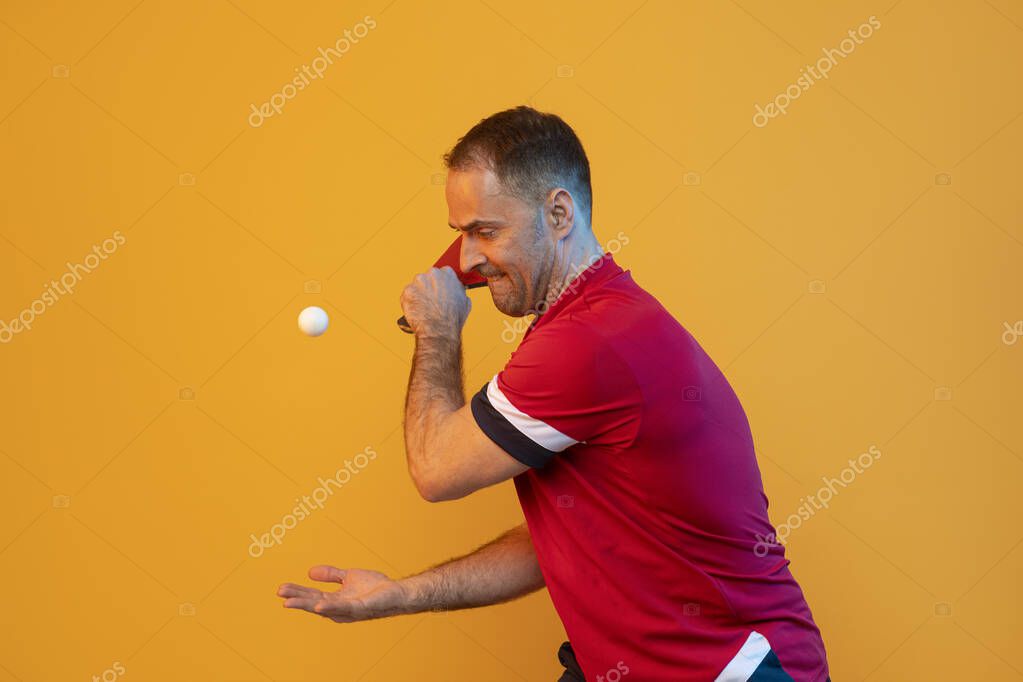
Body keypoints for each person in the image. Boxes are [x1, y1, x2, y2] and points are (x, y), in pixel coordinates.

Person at [277, 106, 830, 681]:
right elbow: (557, 544)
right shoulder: (583, 325)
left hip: (729, 670)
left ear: (559, 213)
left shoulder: (591, 342)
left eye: (485, 231)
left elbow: (435, 469)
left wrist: (438, 330)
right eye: (461, 234)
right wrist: (397, 596)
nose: (467, 258)